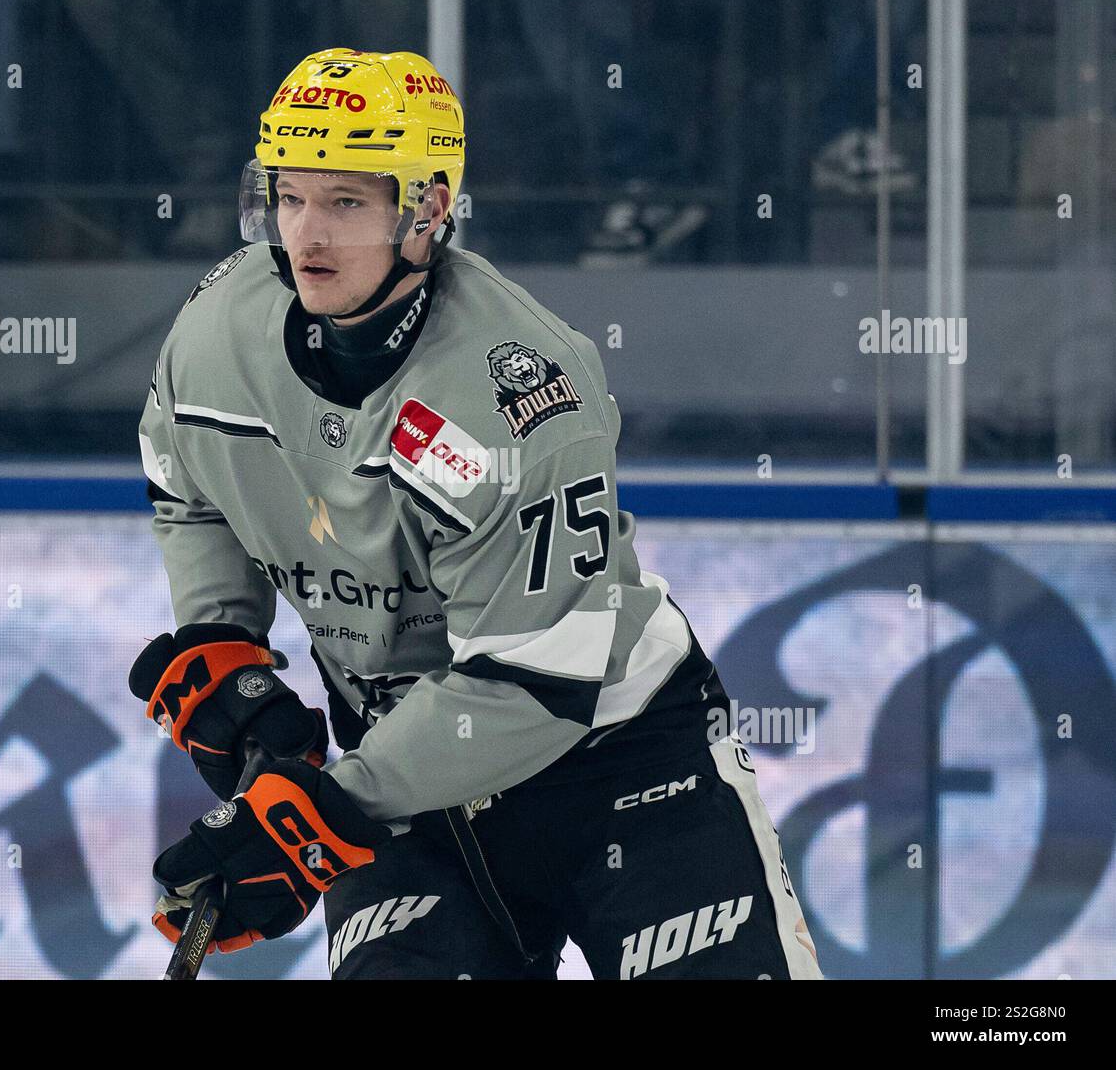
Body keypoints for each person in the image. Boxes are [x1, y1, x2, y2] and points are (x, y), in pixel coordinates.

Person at [130, 48, 822, 980]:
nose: (306, 236)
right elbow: (188, 483)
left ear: (427, 211)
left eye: (346, 202)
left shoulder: (518, 389)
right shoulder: (217, 334)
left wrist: (326, 814)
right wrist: (220, 636)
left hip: (615, 762)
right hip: (403, 781)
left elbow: (538, 685)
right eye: (287, 197)